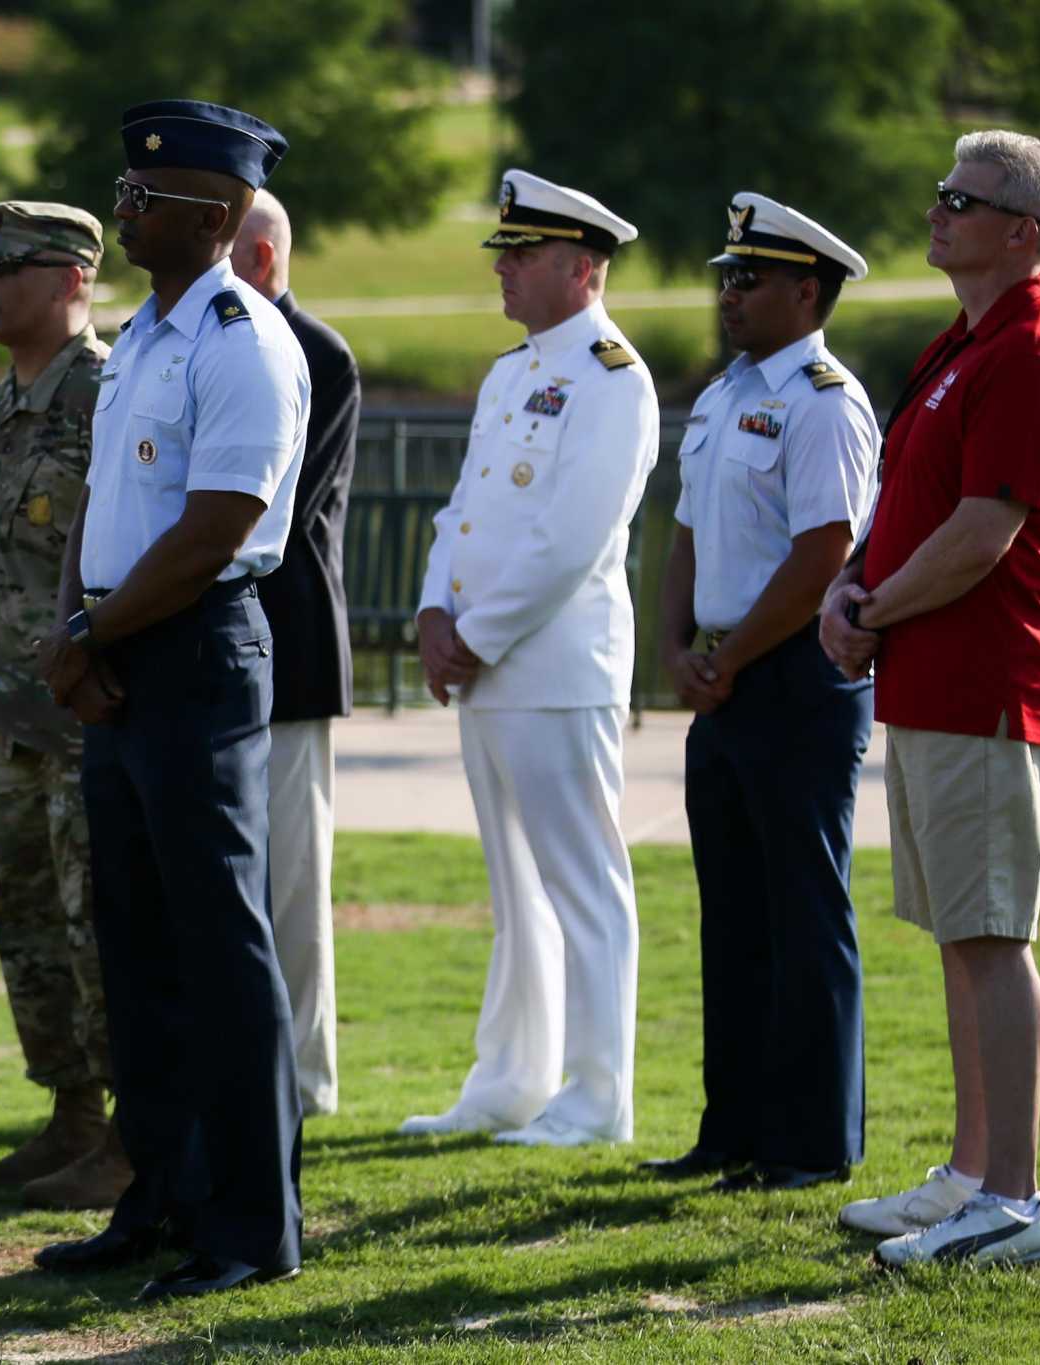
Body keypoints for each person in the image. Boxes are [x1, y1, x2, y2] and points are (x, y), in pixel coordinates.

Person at [31, 99, 309, 1301]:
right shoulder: (144, 334)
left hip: (195, 651)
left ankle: (249, 1227)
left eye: (145, 196)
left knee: (217, 948)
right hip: (119, 651)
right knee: (135, 944)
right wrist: (74, 637)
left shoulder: (243, 341)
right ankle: (158, 1196)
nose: (126, 208)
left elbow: (214, 532)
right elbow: (105, 514)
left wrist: (92, 633)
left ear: (215, 213)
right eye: (125, 189)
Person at [822, 131, 1040, 1267]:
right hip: (930, 683)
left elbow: (983, 536)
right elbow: (911, 500)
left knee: (991, 935)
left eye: (960, 200)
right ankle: (971, 1173)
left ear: (1019, 234)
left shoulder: (1030, 352)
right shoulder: (963, 342)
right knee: (955, 934)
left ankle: (1016, 1205)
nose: (935, 211)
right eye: (938, 192)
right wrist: (851, 585)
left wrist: (867, 608)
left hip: (984, 683)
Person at [402, 170, 657, 1149]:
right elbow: (464, 509)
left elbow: (574, 532)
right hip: (488, 665)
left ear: (581, 268)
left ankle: (596, 1100)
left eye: (523, 255)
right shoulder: (511, 373)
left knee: (582, 887)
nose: (503, 270)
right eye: (503, 253)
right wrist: (433, 606)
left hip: (552, 669)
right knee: (515, 888)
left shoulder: (610, 375)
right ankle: (509, 1082)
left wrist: (474, 633)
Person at [641, 194, 879, 1193]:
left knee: (800, 911)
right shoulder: (720, 395)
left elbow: (824, 549)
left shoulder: (824, 399)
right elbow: (689, 530)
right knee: (732, 914)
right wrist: (674, 645)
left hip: (794, 677)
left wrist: (732, 654)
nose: (727, 294)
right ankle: (729, 1128)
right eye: (723, 276)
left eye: (747, 279)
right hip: (724, 672)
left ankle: (811, 1143)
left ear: (805, 290)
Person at [0, 200, 130, 1210]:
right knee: (22, 911)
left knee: (93, 918)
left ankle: (129, 1137)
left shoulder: (105, 396)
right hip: (14, 713)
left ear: (69, 281)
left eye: (5, 264)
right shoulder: (3, 401)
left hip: (83, 714)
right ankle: (70, 1115)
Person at [231, 188, 361, 1118]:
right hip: (216, 648)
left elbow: (275, 501)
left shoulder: (315, 352)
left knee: (291, 881)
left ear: (263, 259)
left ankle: (304, 1079)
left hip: (289, 646)